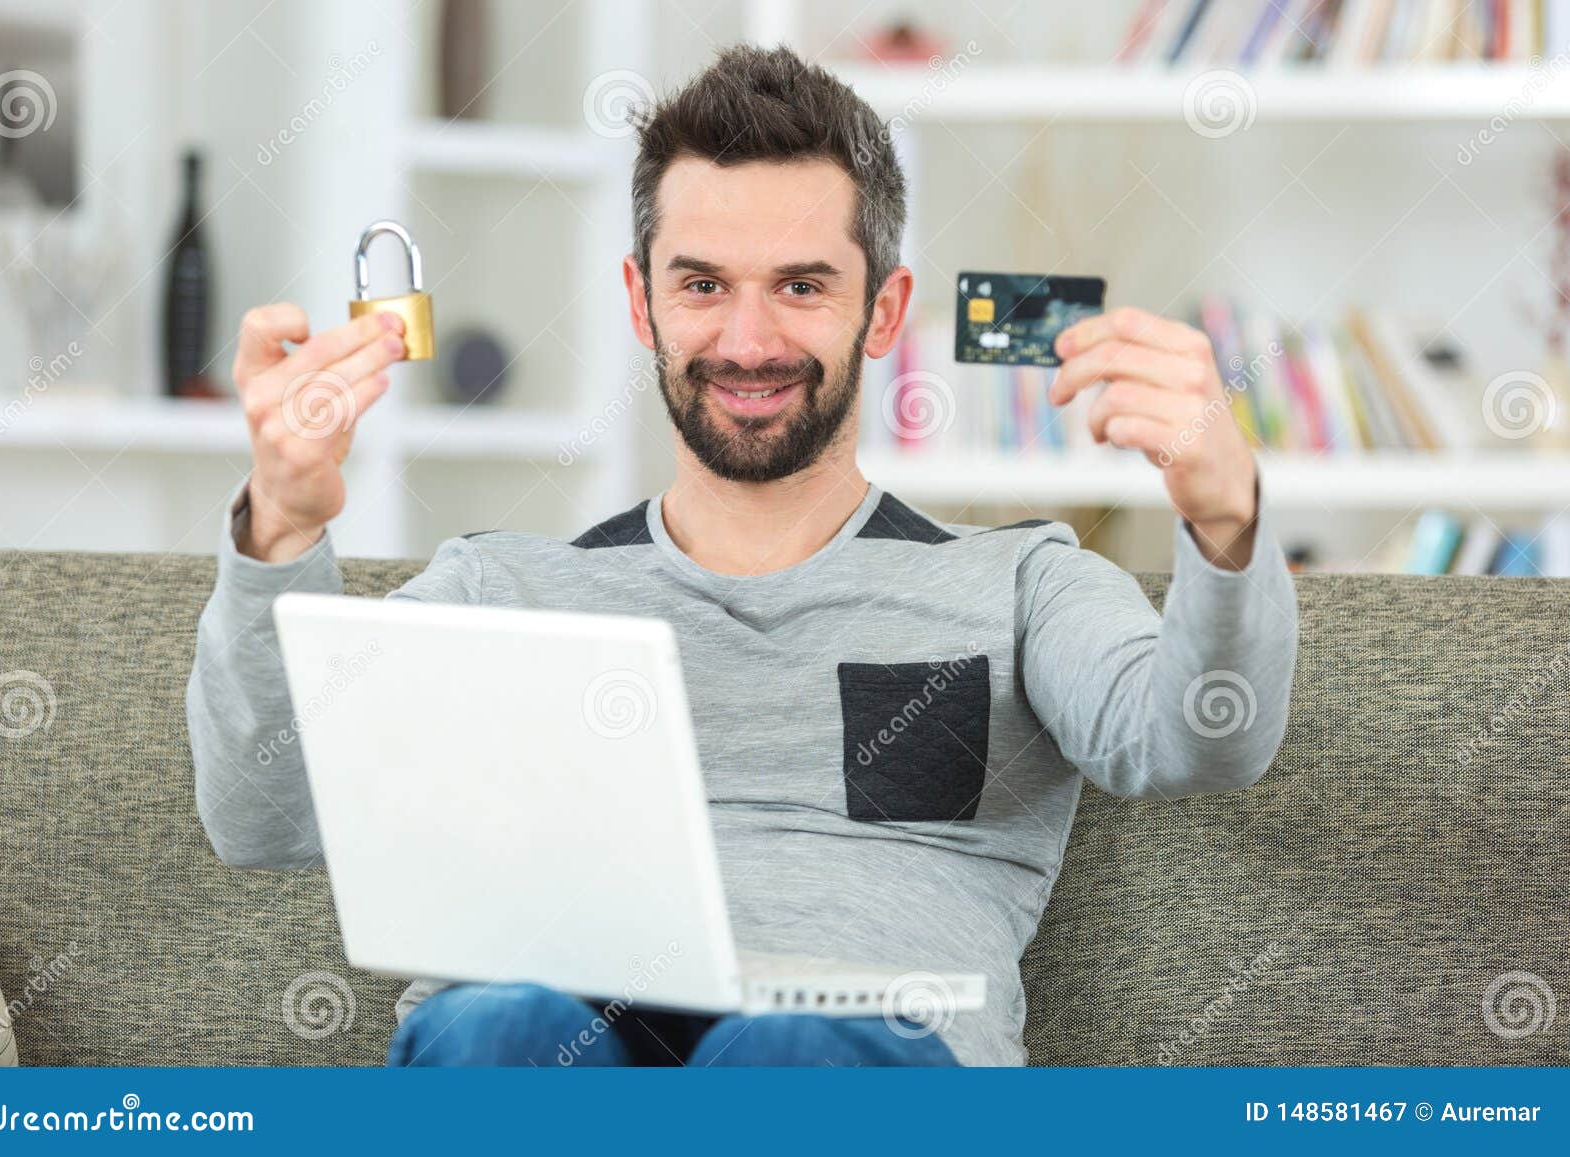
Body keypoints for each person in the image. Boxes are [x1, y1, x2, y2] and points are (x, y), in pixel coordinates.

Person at [186, 44, 1297, 1068]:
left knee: (786, 1053)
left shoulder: (1019, 582)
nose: (749, 342)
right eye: (703, 283)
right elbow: (263, 817)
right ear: (642, 302)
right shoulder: (498, 586)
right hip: (543, 1057)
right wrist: (280, 524)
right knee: (499, 1023)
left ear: (882, 307)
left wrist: (1226, 519)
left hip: (854, 1065)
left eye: (802, 285)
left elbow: (1202, 745)